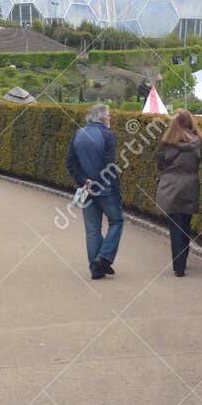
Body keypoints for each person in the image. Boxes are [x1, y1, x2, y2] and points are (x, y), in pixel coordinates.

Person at [66, 104, 122, 280]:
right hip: (106, 189)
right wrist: (98, 182)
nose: (110, 118)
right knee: (117, 221)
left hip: (86, 189)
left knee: (92, 230)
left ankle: (96, 269)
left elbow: (70, 162)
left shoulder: (78, 134)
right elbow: (109, 164)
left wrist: (84, 180)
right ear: (102, 117)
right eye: (109, 115)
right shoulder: (107, 135)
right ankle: (104, 257)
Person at [155, 110, 202, 278]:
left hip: (170, 186)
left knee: (175, 227)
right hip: (190, 185)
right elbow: (199, 161)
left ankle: (179, 266)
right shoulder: (198, 142)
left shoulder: (166, 143)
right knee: (185, 225)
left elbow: (160, 164)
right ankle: (183, 260)